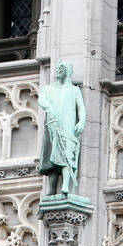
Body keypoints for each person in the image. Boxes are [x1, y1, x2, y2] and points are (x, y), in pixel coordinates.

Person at [38, 62, 85, 197]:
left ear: (67, 72)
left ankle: (65, 185)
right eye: (57, 69)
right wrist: (48, 107)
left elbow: (81, 107)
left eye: (61, 69)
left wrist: (81, 122)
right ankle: (52, 188)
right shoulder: (47, 88)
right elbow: (42, 100)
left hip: (68, 126)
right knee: (51, 158)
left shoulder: (74, 90)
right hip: (52, 126)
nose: (58, 71)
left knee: (67, 154)